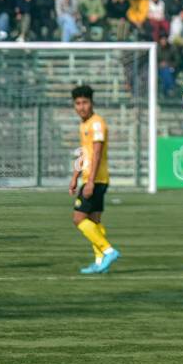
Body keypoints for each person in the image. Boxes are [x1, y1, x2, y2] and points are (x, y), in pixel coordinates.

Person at [69, 85, 119, 275]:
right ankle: (100, 262)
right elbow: (84, 153)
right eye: (78, 103)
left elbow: (97, 153)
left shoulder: (97, 123)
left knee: (78, 218)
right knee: (94, 220)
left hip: (96, 179)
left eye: (85, 102)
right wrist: (75, 176)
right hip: (90, 178)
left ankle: (108, 250)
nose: (81, 107)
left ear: (92, 103)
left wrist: (89, 182)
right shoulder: (84, 125)